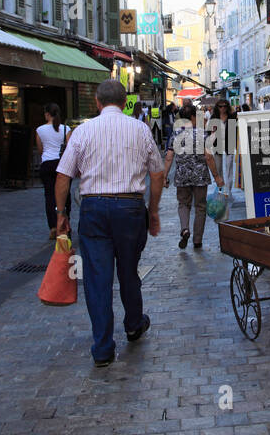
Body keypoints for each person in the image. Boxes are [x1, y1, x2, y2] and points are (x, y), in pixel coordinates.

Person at [55, 78, 165, 368]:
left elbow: (63, 176)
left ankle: (102, 348)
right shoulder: (140, 129)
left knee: (97, 278)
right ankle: (133, 324)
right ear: (124, 101)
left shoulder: (82, 131)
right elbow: (157, 173)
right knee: (129, 270)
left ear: (98, 102)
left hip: (94, 208)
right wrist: (153, 211)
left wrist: (60, 213)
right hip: (129, 208)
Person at [165, 103, 225, 250]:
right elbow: (209, 157)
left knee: (183, 204)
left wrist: (164, 176)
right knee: (200, 207)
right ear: (193, 116)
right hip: (200, 176)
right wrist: (216, 177)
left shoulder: (175, 134)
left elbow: (169, 156)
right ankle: (197, 240)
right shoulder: (202, 134)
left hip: (182, 176)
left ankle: (185, 229)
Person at [35, 103, 71, 238]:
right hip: (62, 164)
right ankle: (65, 224)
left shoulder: (40, 130)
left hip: (47, 164)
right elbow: (69, 148)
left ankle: (53, 226)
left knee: (49, 196)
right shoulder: (65, 129)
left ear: (47, 114)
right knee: (65, 195)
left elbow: (40, 149)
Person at [210, 97, 236, 193]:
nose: (223, 108)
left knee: (229, 166)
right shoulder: (214, 117)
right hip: (217, 144)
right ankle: (221, 187)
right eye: (220, 106)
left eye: (225, 106)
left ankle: (228, 189)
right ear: (217, 107)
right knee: (218, 167)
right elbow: (211, 132)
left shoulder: (232, 116)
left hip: (230, 142)